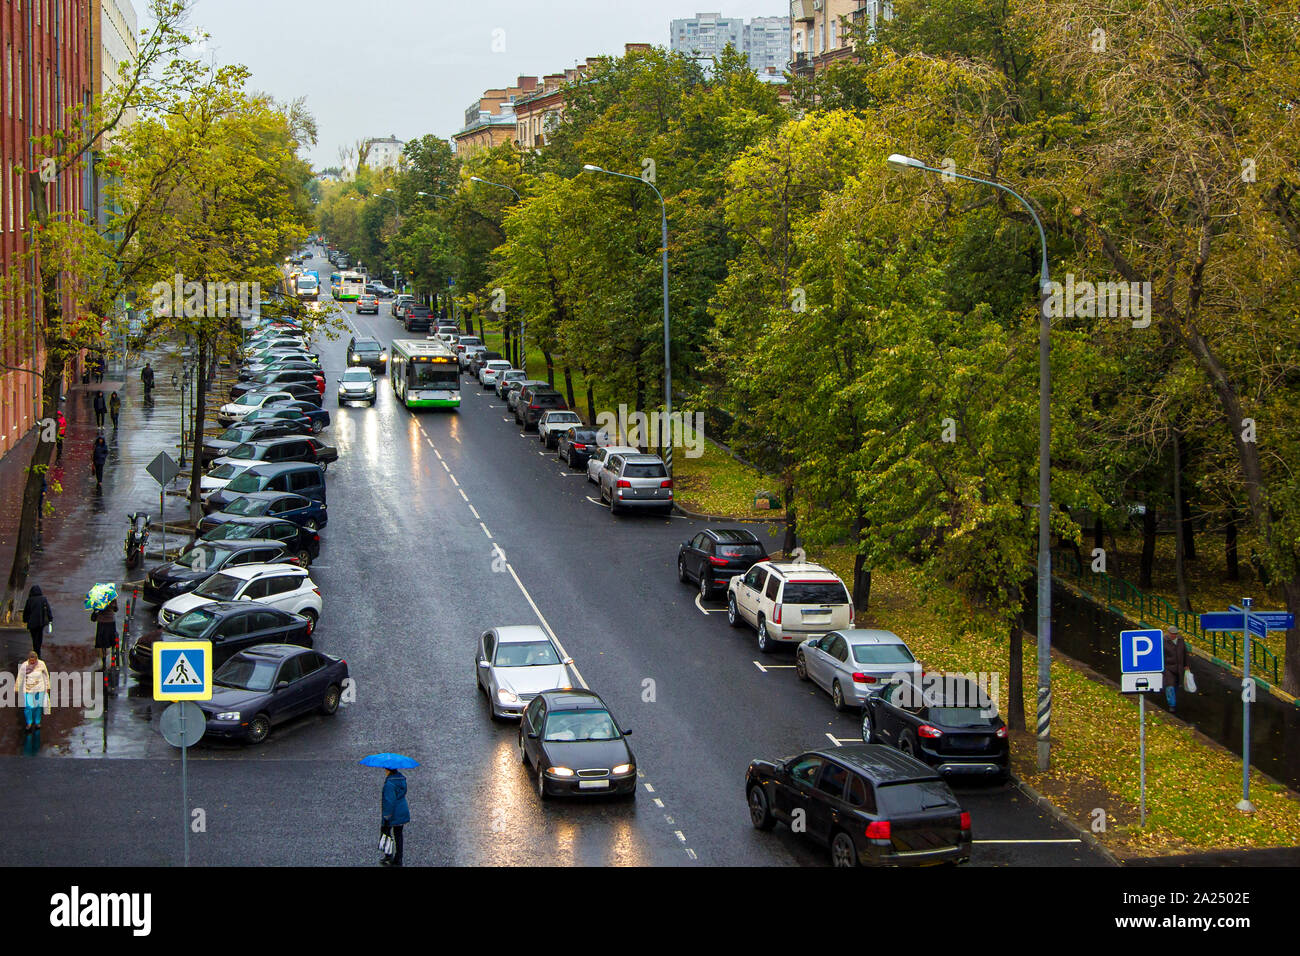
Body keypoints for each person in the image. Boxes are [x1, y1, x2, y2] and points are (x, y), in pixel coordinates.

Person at [380, 768, 410, 866]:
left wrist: (386, 816)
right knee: (398, 835)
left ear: (388, 770)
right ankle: (399, 859)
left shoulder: (389, 784)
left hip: (393, 813)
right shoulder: (401, 779)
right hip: (402, 811)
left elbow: (389, 801)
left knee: (386, 833)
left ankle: (388, 855)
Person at [16, 651, 50, 732]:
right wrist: (17, 687)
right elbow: (20, 676)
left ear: (36, 659)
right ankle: (29, 723)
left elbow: (46, 675)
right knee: (28, 706)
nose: (32, 662)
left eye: (33, 661)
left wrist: (48, 686)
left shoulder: (41, 664)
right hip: (28, 689)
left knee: (38, 706)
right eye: (30, 661)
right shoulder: (24, 665)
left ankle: (37, 722)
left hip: (39, 688)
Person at [21, 585, 53, 656]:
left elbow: (26, 611)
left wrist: (25, 619)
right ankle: (38, 651)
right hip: (40, 622)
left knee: (34, 637)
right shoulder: (43, 599)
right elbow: (48, 609)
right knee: (39, 636)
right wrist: (50, 618)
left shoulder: (29, 600)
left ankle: (36, 650)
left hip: (32, 623)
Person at [1163, 631, 1189, 712]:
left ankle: (1172, 700)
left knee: (1176, 685)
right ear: (1168, 633)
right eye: (1172, 633)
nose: (1174, 635)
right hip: (1168, 667)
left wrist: (1186, 665)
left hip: (1179, 668)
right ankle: (1172, 705)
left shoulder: (1180, 640)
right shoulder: (1164, 641)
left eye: (1175, 634)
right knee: (1170, 686)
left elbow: (1185, 653)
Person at [92, 596, 119, 673]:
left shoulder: (99, 599)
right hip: (111, 622)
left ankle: (104, 665)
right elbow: (116, 609)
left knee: (102, 645)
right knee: (112, 643)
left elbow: (96, 610)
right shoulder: (113, 598)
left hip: (102, 623)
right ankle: (113, 662)